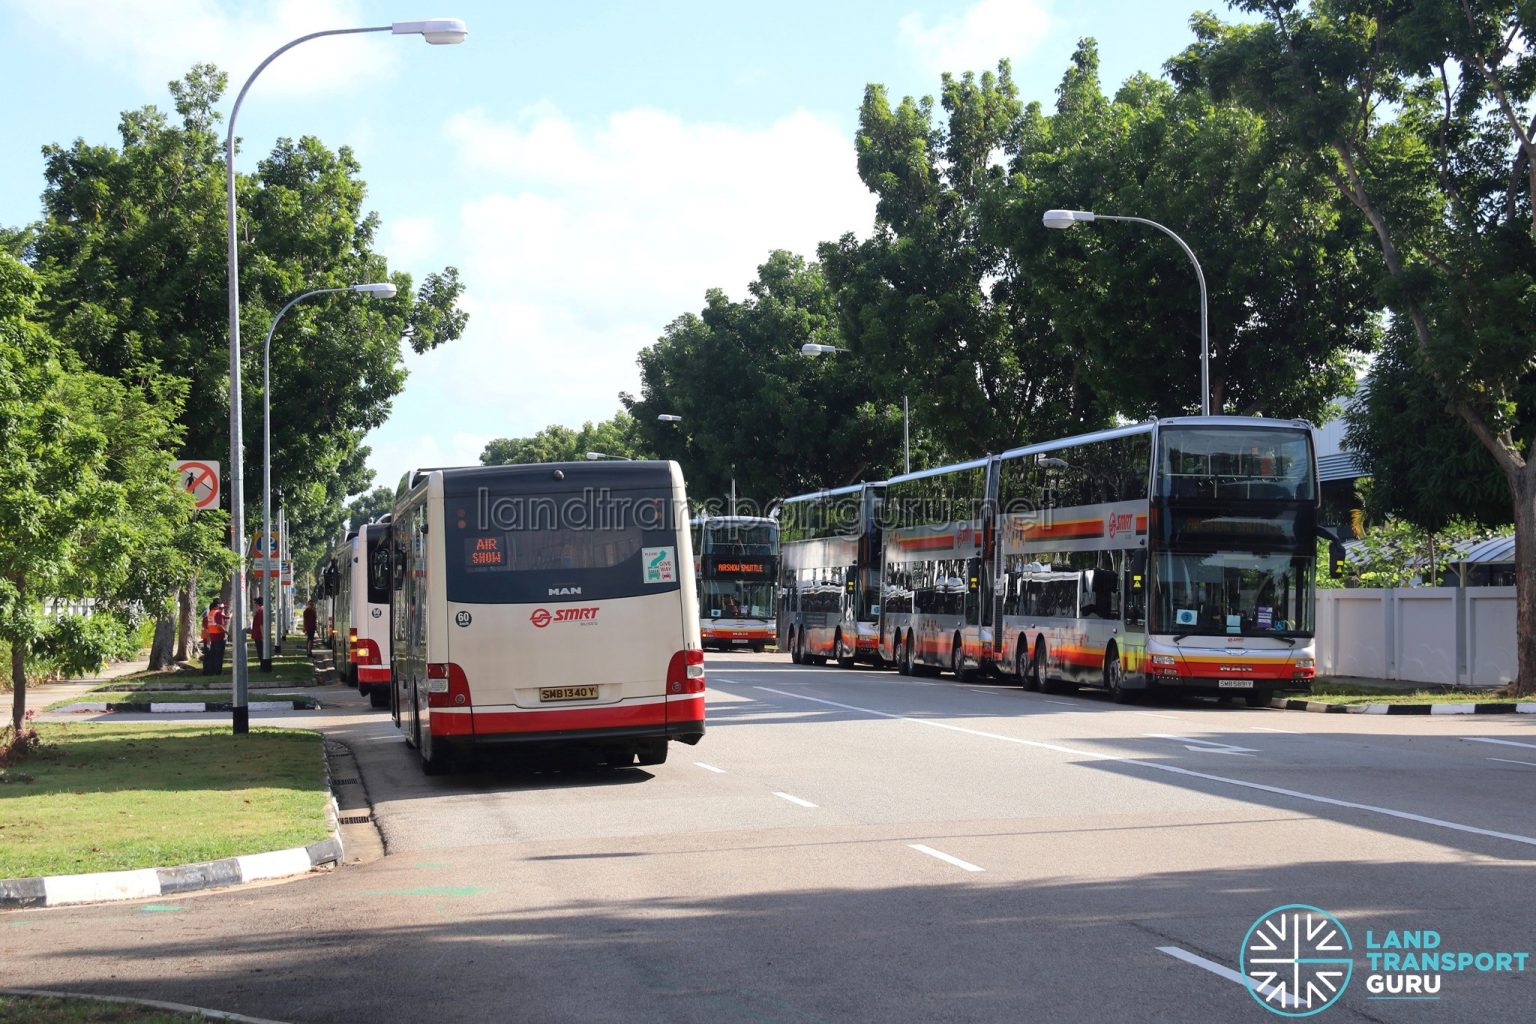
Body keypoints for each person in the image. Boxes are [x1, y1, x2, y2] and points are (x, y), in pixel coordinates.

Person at [201, 598, 227, 675]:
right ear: (216, 607)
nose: (222, 610)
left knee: (212, 655)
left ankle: (210, 671)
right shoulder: (215, 614)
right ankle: (211, 671)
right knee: (212, 656)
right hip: (211, 638)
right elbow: (207, 629)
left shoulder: (210, 615)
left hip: (211, 638)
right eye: (221, 608)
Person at [251, 597, 265, 664]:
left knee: (261, 651)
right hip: (258, 634)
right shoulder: (261, 611)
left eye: (255, 603)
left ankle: (263, 665)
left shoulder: (261, 611)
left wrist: (263, 636)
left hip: (259, 635)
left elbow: (261, 624)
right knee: (260, 650)